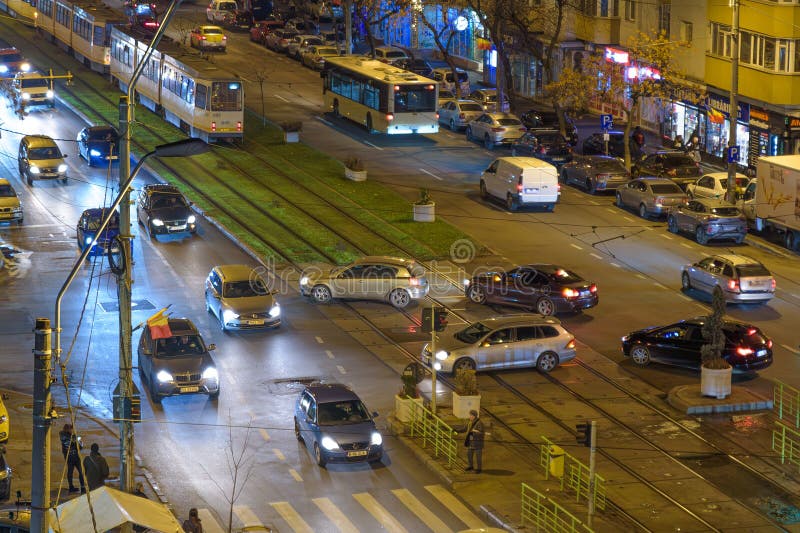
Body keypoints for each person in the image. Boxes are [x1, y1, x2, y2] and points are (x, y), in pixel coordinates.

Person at [59, 423, 84, 493]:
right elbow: (66, 443)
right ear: (67, 429)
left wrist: (79, 442)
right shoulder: (63, 435)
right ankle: (71, 487)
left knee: (81, 471)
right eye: (71, 429)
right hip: (69, 457)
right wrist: (74, 439)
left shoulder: (73, 436)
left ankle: (82, 487)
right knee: (70, 471)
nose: (72, 430)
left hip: (76, 456)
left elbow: (79, 447)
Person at [464, 409, 485, 474]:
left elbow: (482, 433)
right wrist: (456, 430)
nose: (469, 416)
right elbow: (465, 428)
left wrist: (475, 432)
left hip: (478, 443)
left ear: (474, 416)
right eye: (470, 415)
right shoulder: (470, 422)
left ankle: (479, 469)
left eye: (471, 415)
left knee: (478, 457)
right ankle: (470, 466)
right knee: (469, 455)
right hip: (471, 442)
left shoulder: (479, 423)